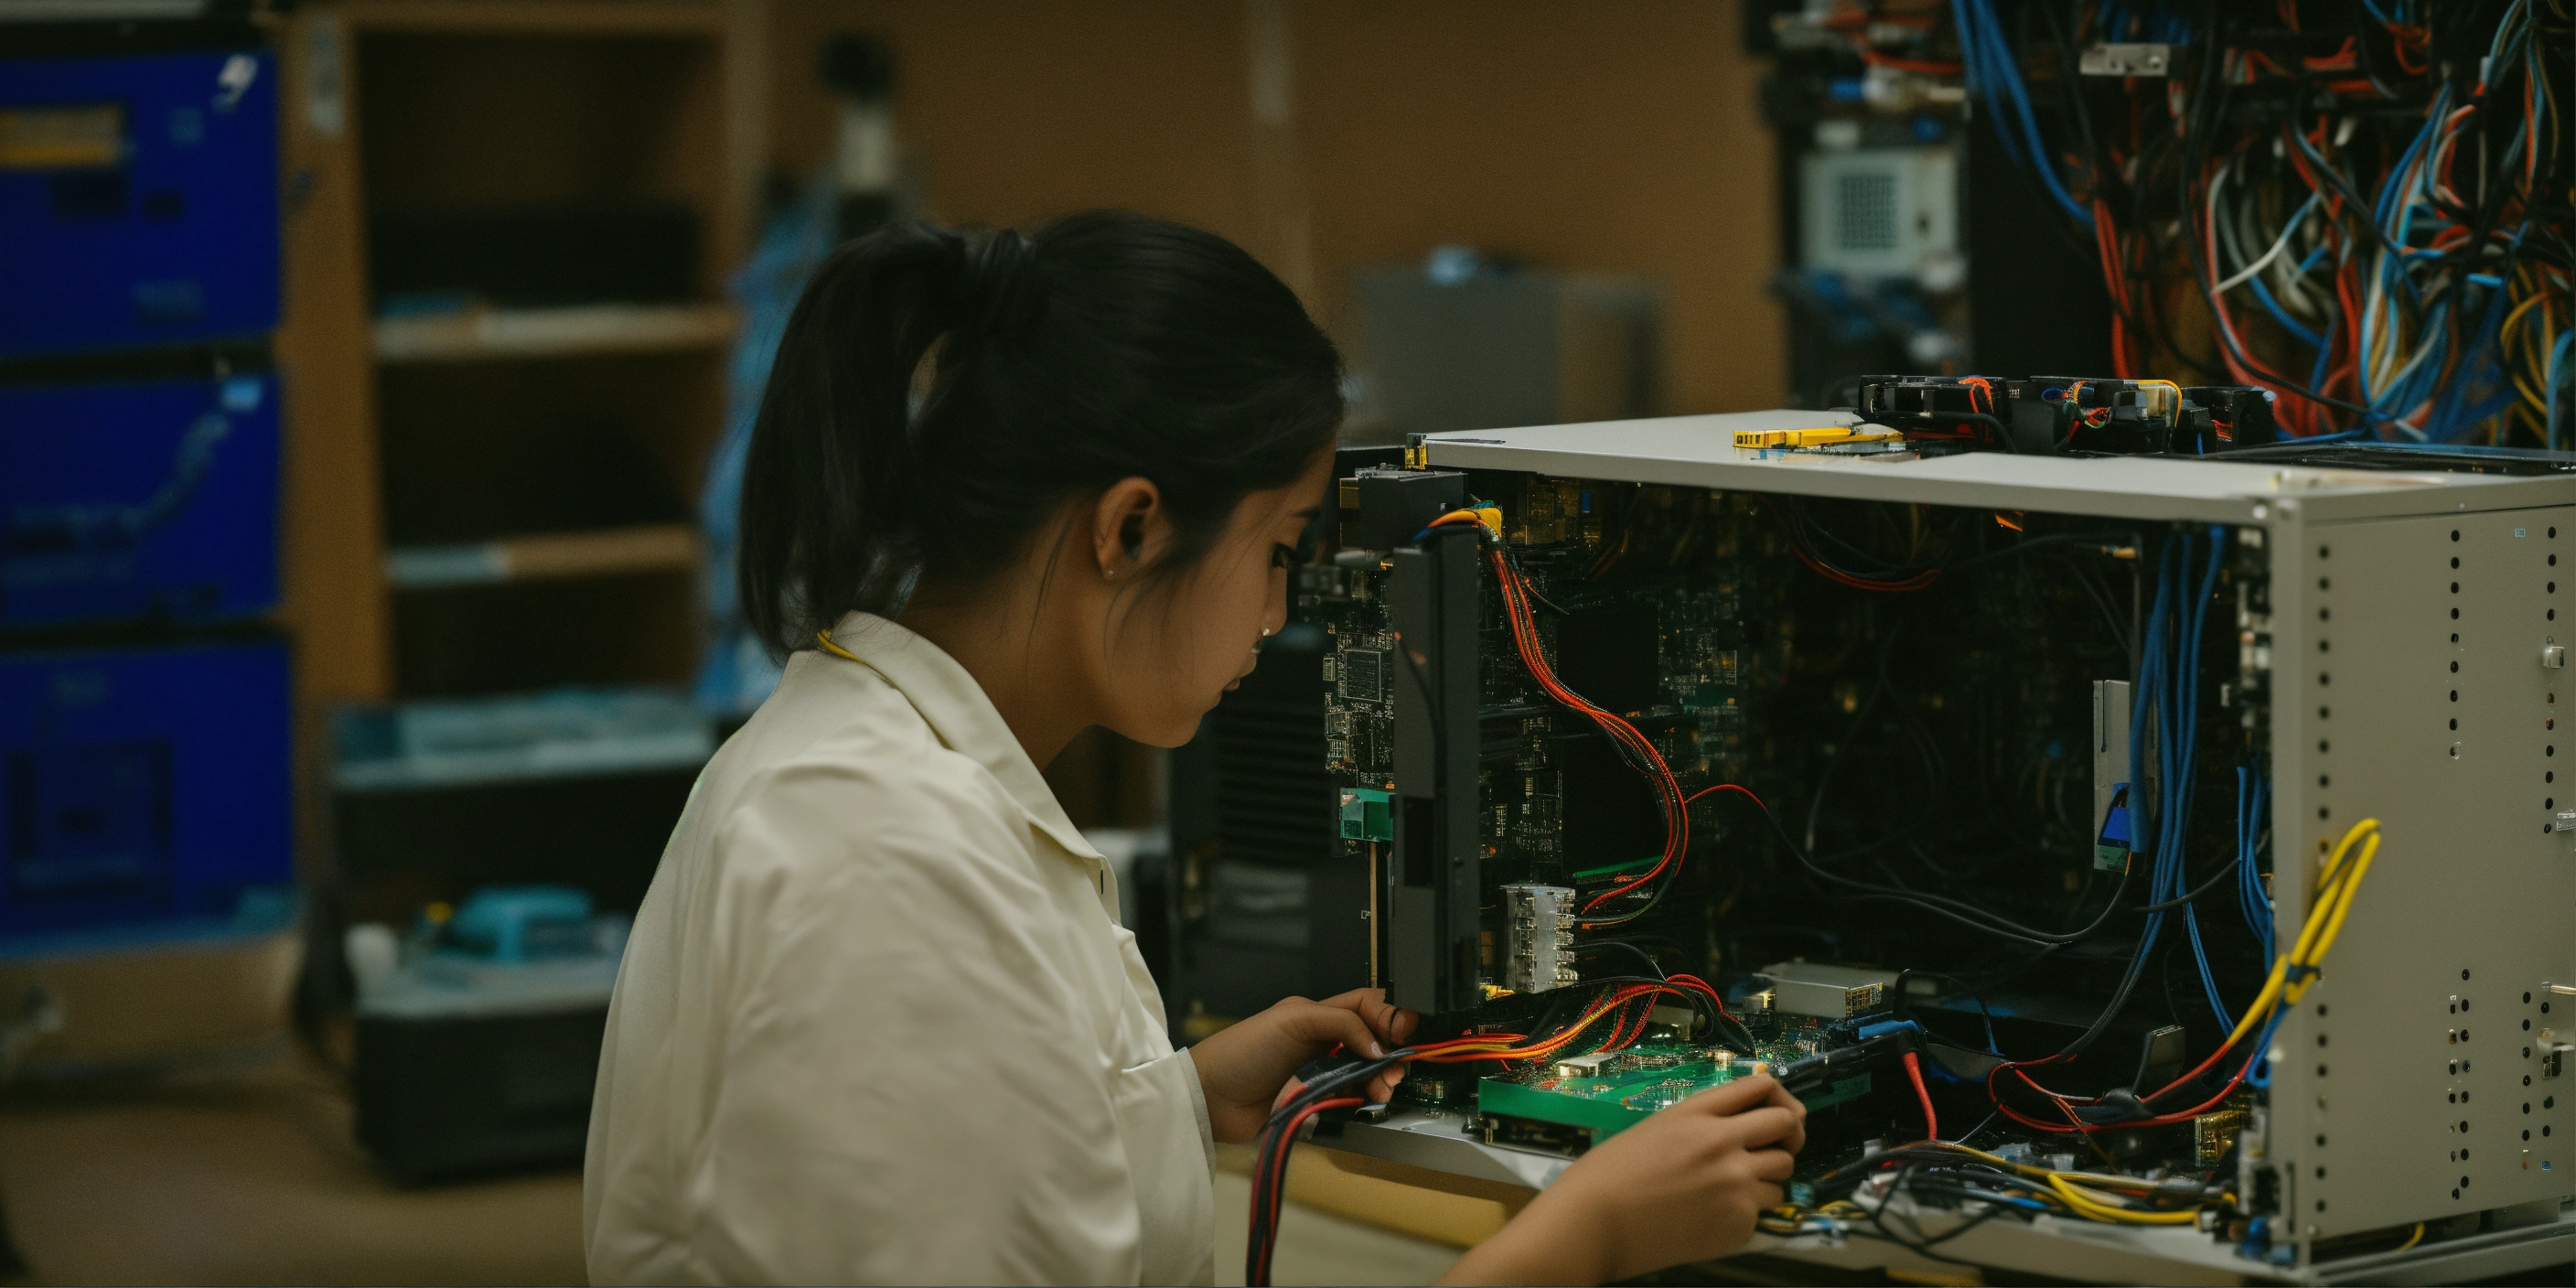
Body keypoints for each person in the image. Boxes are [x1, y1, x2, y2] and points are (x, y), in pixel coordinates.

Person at [583, 211, 1806, 1286]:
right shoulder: (882, 861)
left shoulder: (871, 780)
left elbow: (958, 1182)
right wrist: (1573, 1241)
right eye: (1277, 548)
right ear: (1130, 526)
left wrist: (1166, 1106)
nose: (1280, 616)